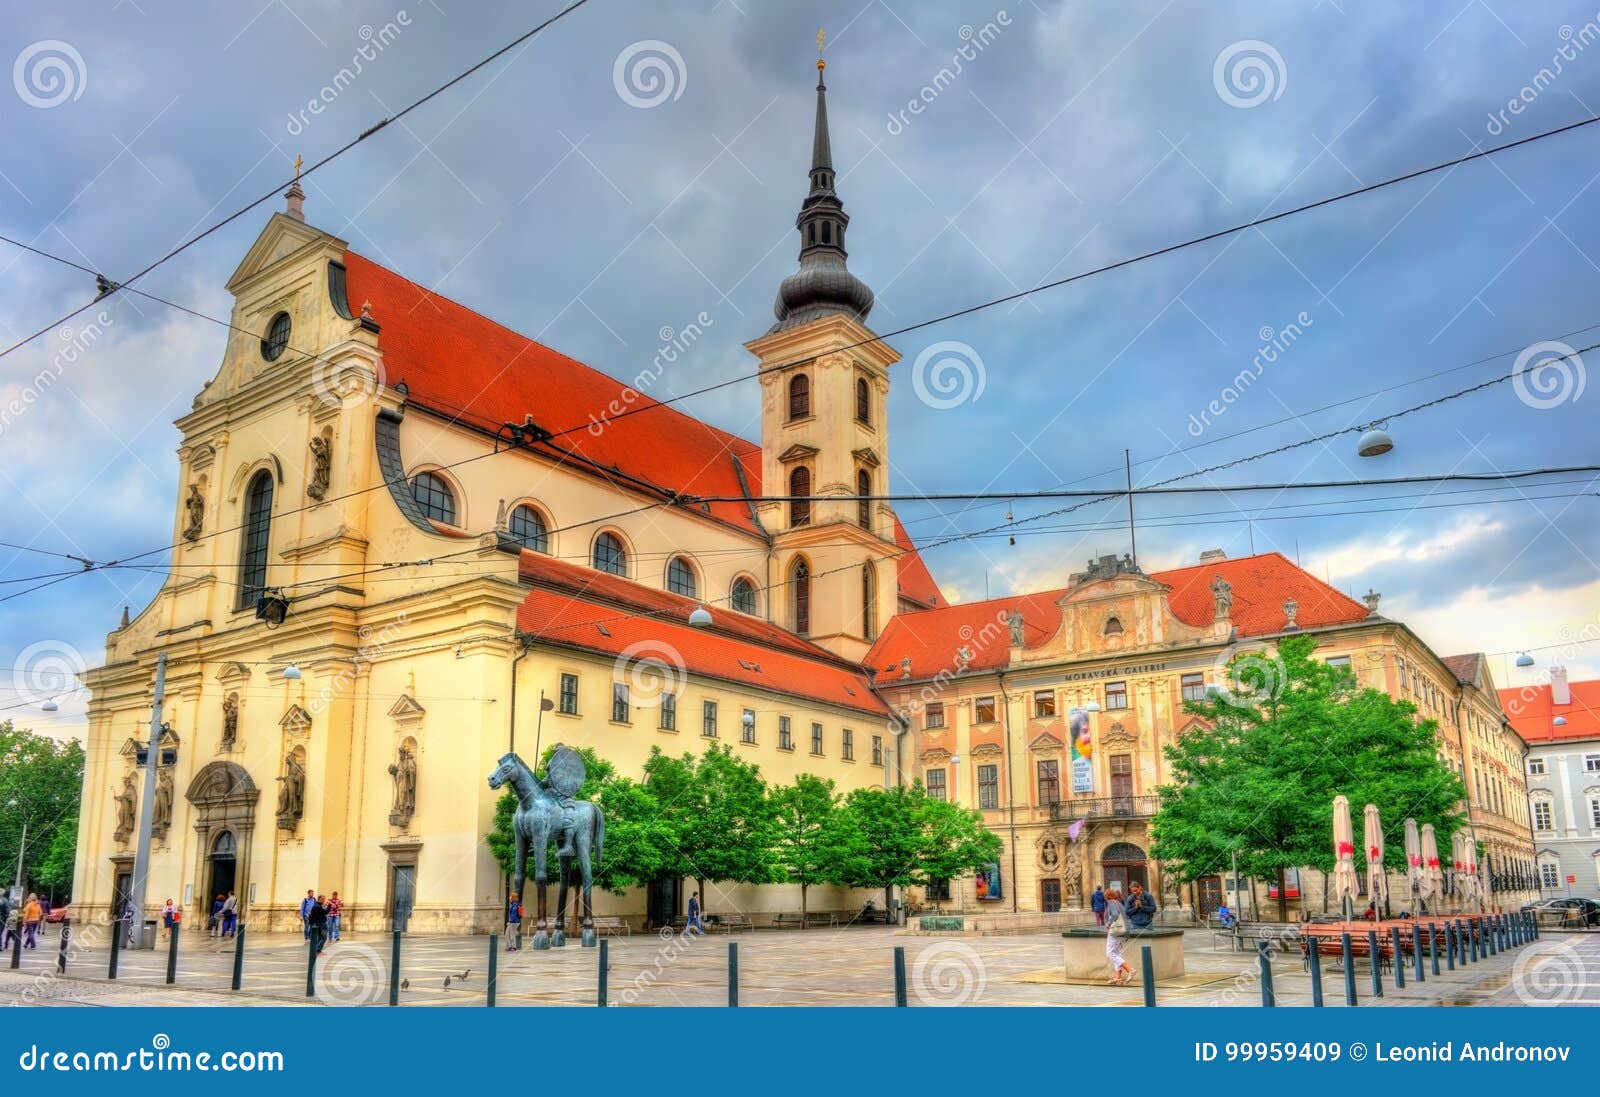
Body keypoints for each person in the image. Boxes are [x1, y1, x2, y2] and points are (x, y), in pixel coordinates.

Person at [1103, 887, 1135, 985]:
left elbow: (1115, 915)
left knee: (1110, 953)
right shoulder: (1118, 903)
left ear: (1107, 896)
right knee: (1116, 953)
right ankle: (1118, 976)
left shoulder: (1111, 903)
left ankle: (1130, 970)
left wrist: (1108, 924)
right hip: (1123, 932)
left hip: (1115, 932)